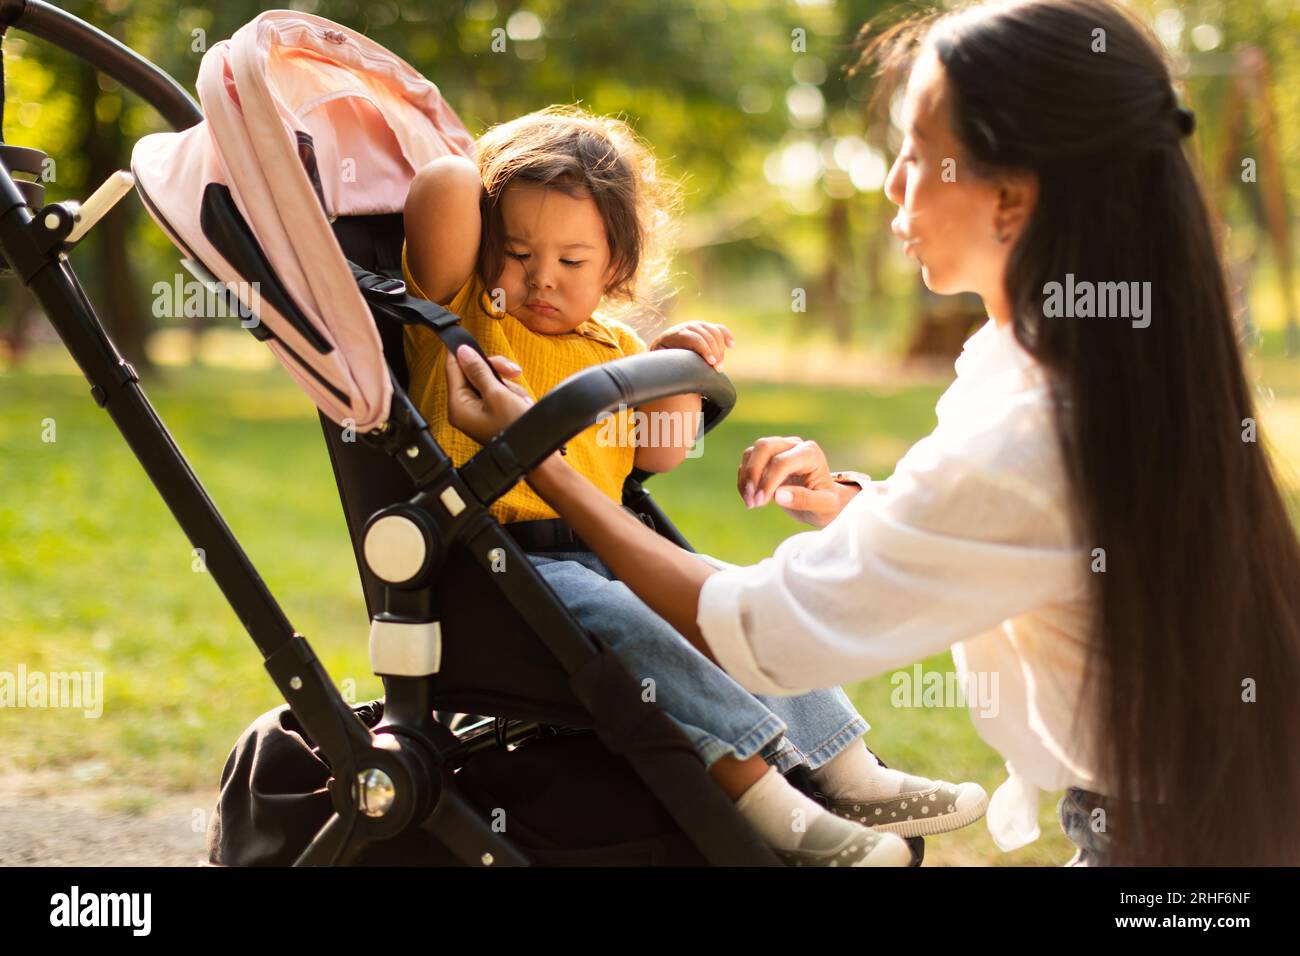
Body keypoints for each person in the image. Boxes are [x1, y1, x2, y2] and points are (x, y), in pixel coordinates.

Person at [442, 0, 1300, 867]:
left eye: (921, 157)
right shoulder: (1053, 357)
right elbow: (998, 532)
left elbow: (763, 629)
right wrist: (859, 507)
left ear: (1011, 197)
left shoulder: (1043, 426)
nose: (892, 183)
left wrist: (541, 463)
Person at [401, 105, 987, 867]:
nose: (541, 277)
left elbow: (661, 453)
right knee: (640, 626)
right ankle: (776, 810)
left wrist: (675, 369)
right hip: (499, 566)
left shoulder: (613, 344)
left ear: (614, 268)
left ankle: (848, 770)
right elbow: (443, 190)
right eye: (516, 251)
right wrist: (479, 173)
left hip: (598, 551)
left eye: (572, 262)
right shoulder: (462, 312)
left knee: (729, 598)